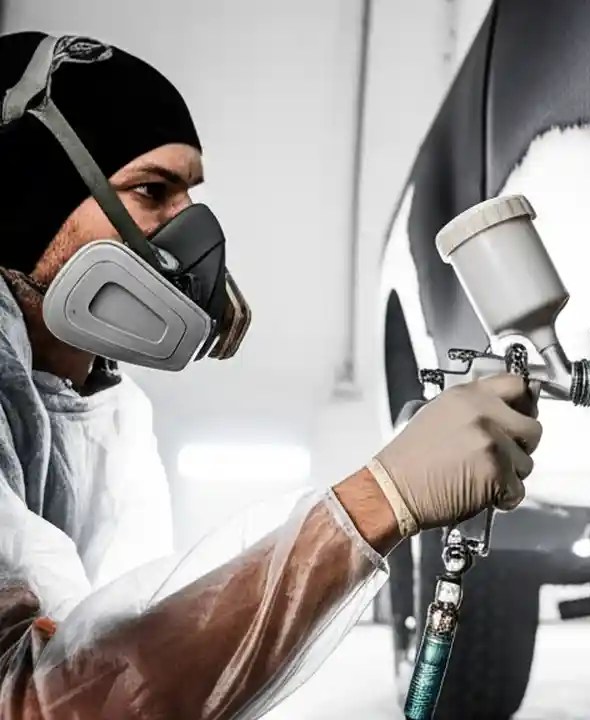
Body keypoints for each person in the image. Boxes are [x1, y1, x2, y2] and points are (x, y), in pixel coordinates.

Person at [0, 31, 541, 718]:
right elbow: (36, 703)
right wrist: (381, 500)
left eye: (191, 195)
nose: (193, 239)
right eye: (151, 191)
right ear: (26, 199)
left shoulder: (102, 408)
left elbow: (114, 652)